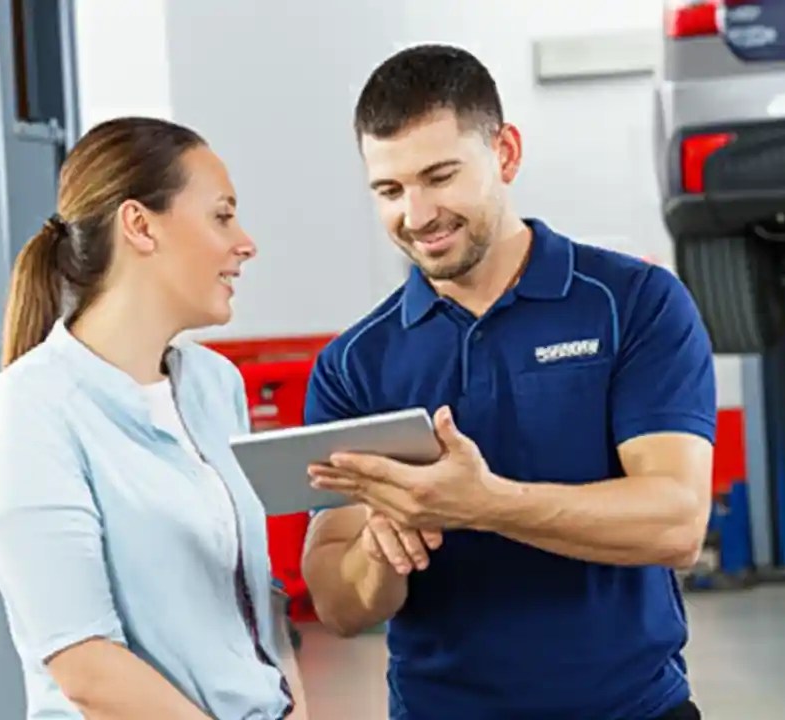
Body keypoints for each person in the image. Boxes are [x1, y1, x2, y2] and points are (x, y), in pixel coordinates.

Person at [300, 44, 715, 720]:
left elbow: (676, 523)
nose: (418, 213)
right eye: (390, 190)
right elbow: (339, 606)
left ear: (506, 154)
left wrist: (482, 503)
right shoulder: (355, 364)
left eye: (440, 176)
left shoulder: (633, 303)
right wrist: (383, 550)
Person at [0, 117, 308, 720]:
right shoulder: (25, 414)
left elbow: (256, 603)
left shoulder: (215, 386)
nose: (245, 242)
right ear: (140, 226)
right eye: (222, 216)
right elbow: (87, 667)